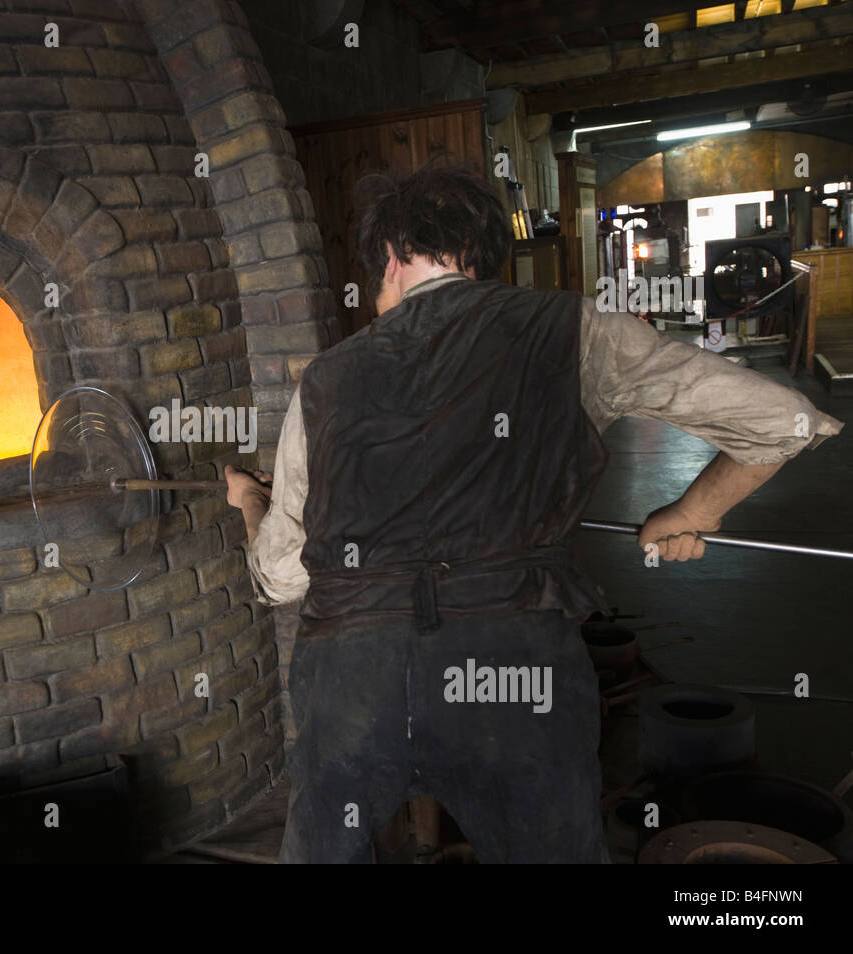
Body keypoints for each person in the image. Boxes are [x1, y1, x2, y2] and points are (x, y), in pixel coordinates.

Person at [223, 160, 842, 864]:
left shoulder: (324, 381)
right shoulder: (570, 329)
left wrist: (250, 502)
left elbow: (280, 577)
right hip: (512, 676)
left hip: (350, 684)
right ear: (480, 259)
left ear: (391, 257)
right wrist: (692, 511)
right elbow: (787, 422)